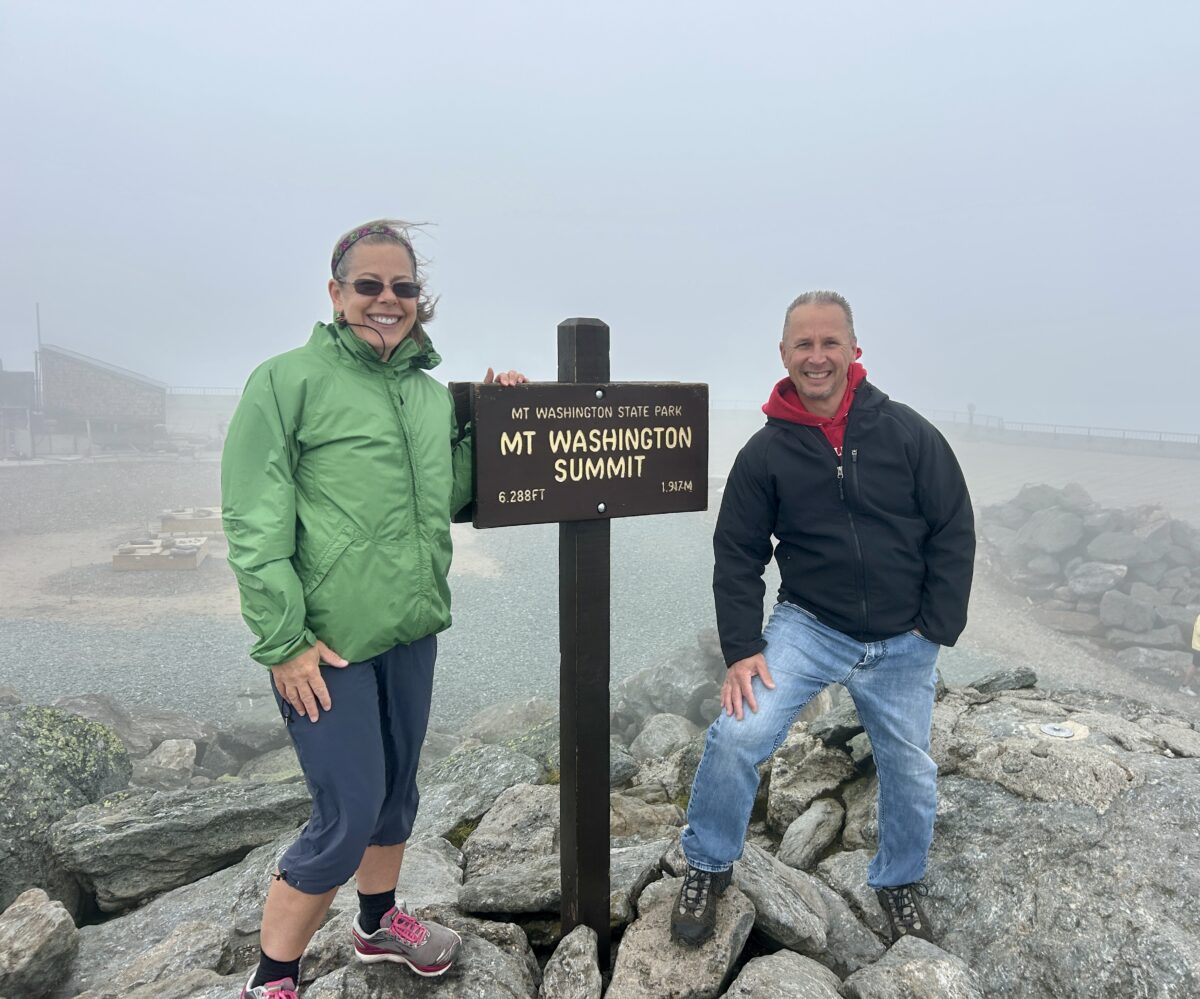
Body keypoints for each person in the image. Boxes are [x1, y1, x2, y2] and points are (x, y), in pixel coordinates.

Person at [221, 220, 526, 999]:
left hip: (411, 630)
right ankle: (273, 977)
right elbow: (255, 521)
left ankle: (377, 923)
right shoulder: (285, 381)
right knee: (348, 808)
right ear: (337, 293)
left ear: (419, 300)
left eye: (403, 287)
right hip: (325, 647)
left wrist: (494, 425)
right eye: (370, 286)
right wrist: (283, 641)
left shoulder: (426, 396)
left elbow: (448, 498)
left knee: (395, 792)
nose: (387, 301)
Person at [671, 290, 975, 947]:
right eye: (803, 344)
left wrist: (934, 625)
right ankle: (707, 862)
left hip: (904, 640)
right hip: (810, 626)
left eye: (829, 342)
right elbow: (738, 556)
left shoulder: (906, 433)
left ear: (853, 349)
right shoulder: (764, 454)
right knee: (736, 736)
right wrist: (743, 647)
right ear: (784, 355)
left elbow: (953, 526)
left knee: (911, 770)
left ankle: (897, 880)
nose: (817, 356)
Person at [1182, 613, 1199, 696]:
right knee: (1194, 666)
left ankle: (1185, 686)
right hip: (1198, 647)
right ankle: (1184, 686)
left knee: (1194, 666)